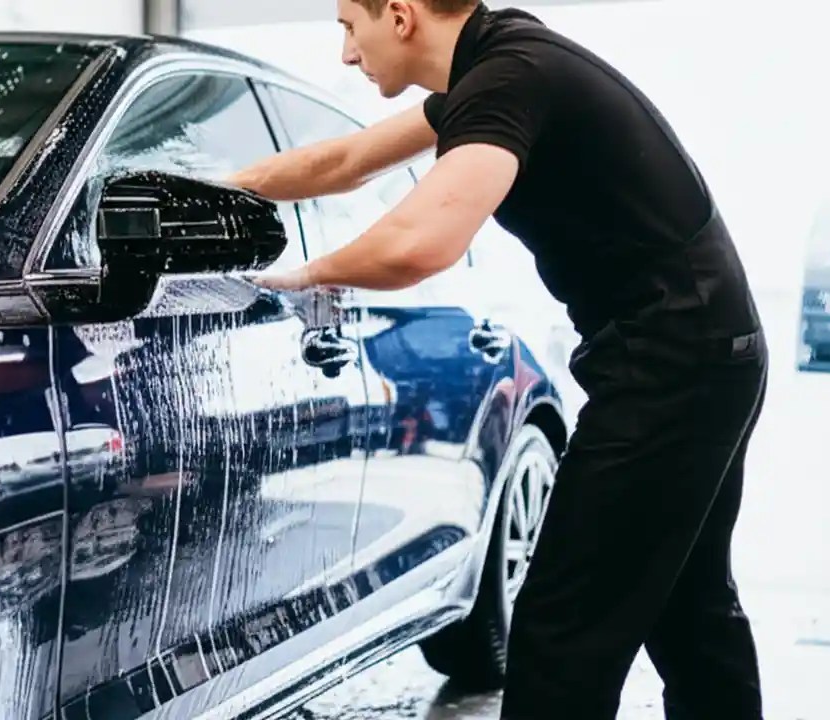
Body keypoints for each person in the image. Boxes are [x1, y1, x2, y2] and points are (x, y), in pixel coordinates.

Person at [225, 1, 768, 718]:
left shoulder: (509, 76)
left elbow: (421, 243)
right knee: (689, 609)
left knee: (563, 627)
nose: (347, 55)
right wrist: (218, 191)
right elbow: (345, 162)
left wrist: (301, 276)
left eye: (349, 28)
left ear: (399, 14)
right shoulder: (505, 60)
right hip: (708, 348)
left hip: (672, 360)